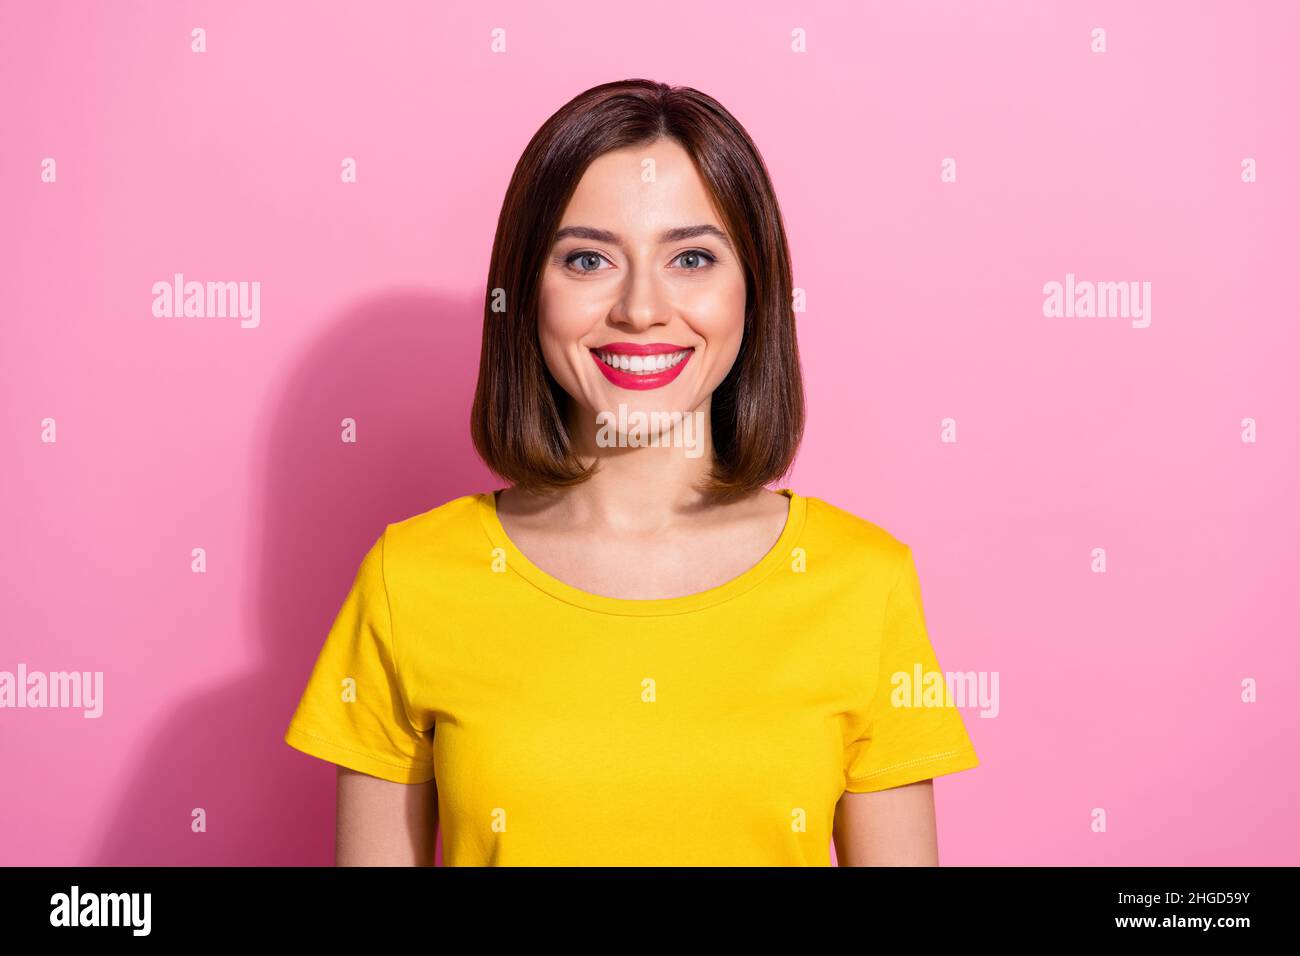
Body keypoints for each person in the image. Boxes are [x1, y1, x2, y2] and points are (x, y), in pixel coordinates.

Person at [283, 78, 979, 866]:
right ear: (525, 291)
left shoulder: (864, 582)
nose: (642, 308)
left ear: (755, 289)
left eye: (691, 257)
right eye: (587, 259)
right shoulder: (408, 579)